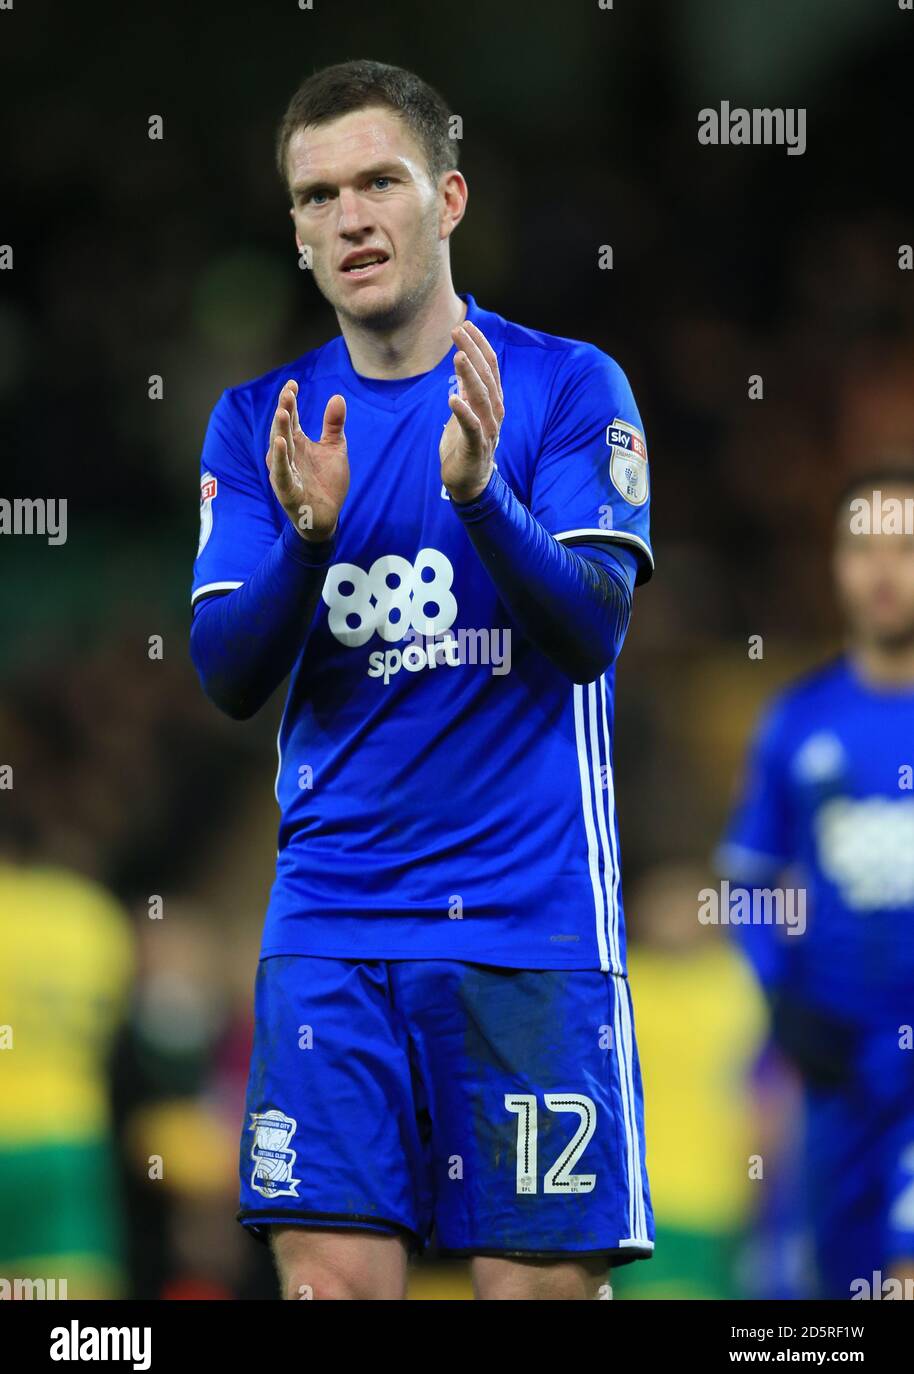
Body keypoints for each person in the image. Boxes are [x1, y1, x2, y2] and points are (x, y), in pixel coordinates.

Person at [190, 59, 655, 1300]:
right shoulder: (261, 424)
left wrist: (479, 498)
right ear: (294, 230)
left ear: (445, 198)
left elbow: (588, 634)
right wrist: (301, 542)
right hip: (332, 927)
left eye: (377, 181)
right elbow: (229, 674)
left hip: (528, 925)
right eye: (316, 194)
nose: (348, 217)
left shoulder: (565, 386)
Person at [716, 467, 914, 1299]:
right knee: (838, 1289)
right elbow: (749, 882)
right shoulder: (797, 722)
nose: (881, 571)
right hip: (836, 1065)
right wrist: (783, 1004)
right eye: (862, 547)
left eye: (905, 549)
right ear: (833, 563)